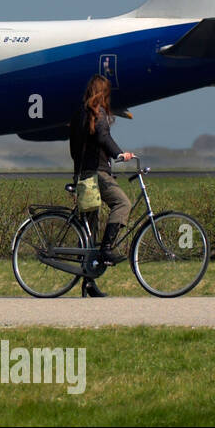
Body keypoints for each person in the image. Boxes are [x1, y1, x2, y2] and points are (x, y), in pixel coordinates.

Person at [68, 74, 136, 298]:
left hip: (83, 175)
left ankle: (88, 284)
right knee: (122, 203)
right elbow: (103, 136)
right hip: (97, 173)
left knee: (89, 232)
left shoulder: (80, 113)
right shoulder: (98, 113)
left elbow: (74, 149)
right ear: (104, 93)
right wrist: (120, 154)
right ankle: (107, 249)